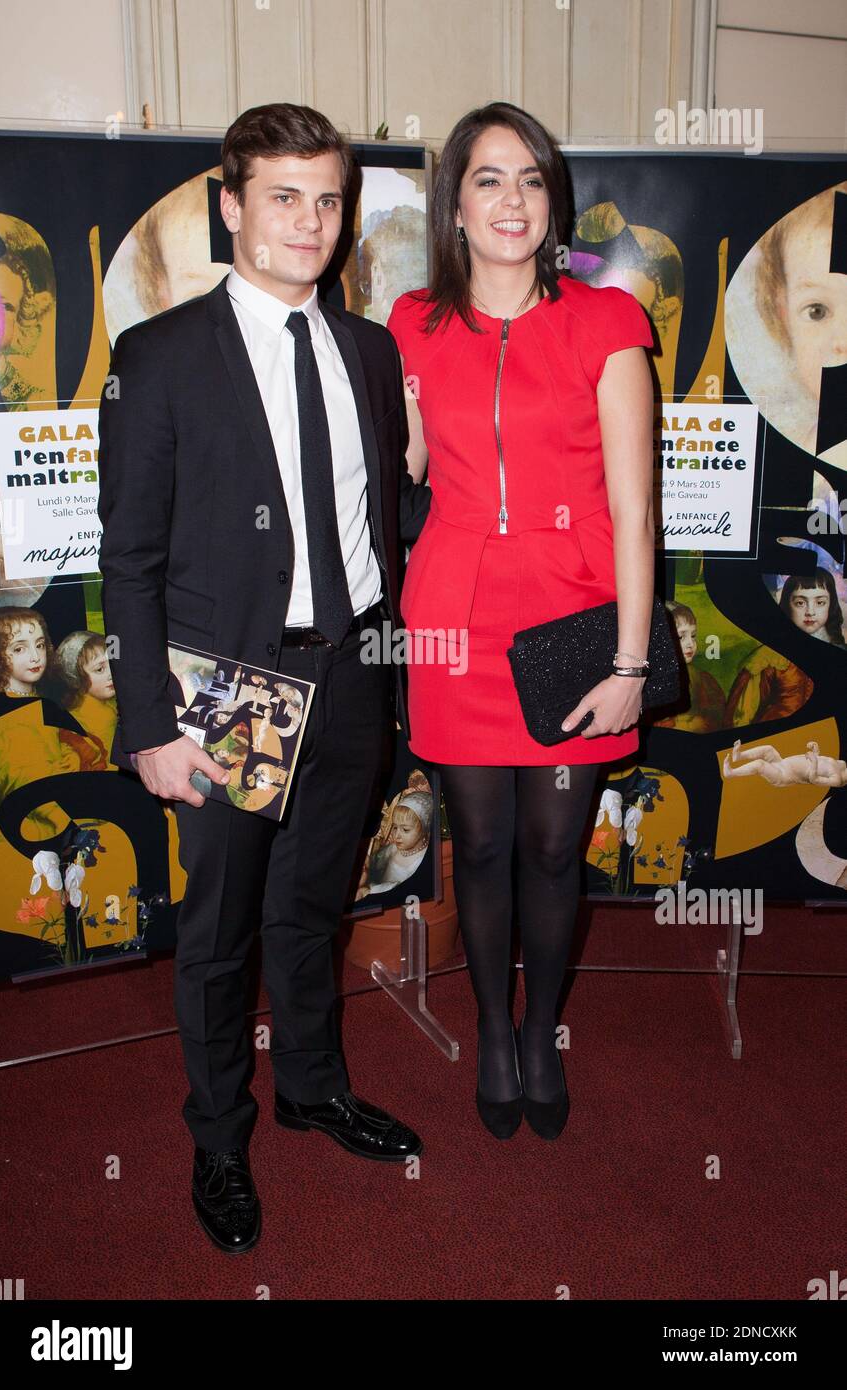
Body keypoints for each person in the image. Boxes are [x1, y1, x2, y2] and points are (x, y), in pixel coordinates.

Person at [97, 103, 432, 1254]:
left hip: (348, 679)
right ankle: (218, 1138)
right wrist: (147, 723)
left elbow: (376, 524)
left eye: (328, 199)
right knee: (220, 932)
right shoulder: (161, 356)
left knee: (311, 910)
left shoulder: (369, 351)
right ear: (230, 206)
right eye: (282, 196)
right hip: (227, 694)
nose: (310, 220)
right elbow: (129, 560)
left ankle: (309, 1086)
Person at [387, 101, 655, 1141]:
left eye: (531, 179)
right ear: (453, 201)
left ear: (555, 203)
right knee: (480, 843)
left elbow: (636, 512)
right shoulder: (411, 321)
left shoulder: (607, 323)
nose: (511, 199)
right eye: (488, 178)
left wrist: (630, 660)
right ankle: (490, 1028)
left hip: (573, 627)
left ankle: (541, 1026)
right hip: (452, 624)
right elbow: (403, 465)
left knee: (552, 846)